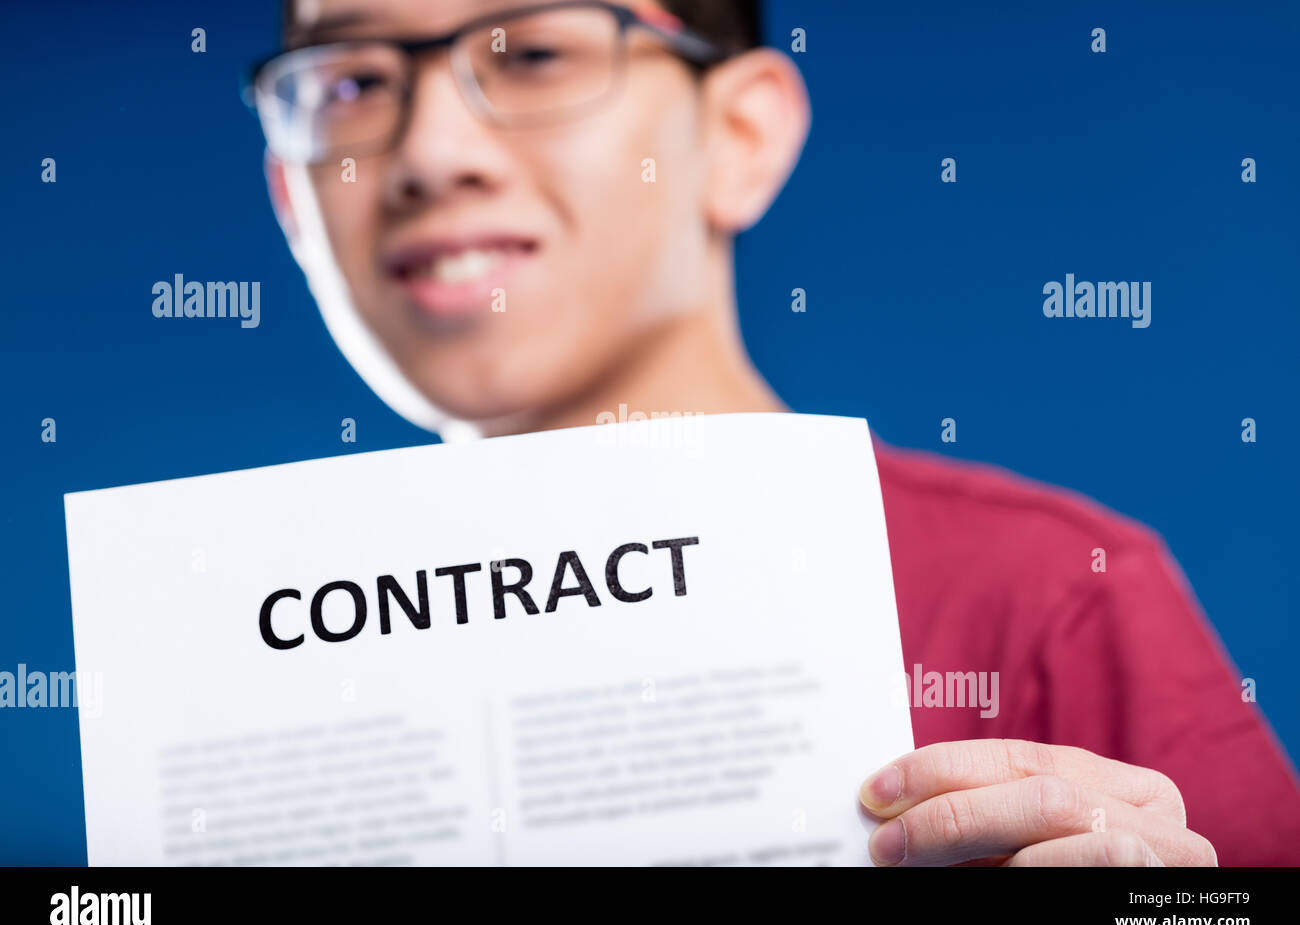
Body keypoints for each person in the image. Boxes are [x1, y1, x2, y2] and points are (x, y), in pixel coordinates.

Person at [245, 0, 1300, 864]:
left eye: (532, 53)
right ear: (289, 193)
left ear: (738, 136)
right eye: (352, 82)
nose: (429, 152)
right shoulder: (244, 675)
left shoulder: (1052, 593)